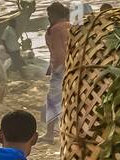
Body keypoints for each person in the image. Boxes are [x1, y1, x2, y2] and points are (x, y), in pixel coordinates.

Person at [42, 3, 70, 144]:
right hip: (72, 66)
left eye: (49, 15)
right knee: (68, 99)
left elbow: (58, 53)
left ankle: (49, 134)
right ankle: (66, 129)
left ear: (54, 14)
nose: (48, 18)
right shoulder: (69, 25)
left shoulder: (56, 29)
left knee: (52, 99)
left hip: (60, 69)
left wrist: (54, 68)